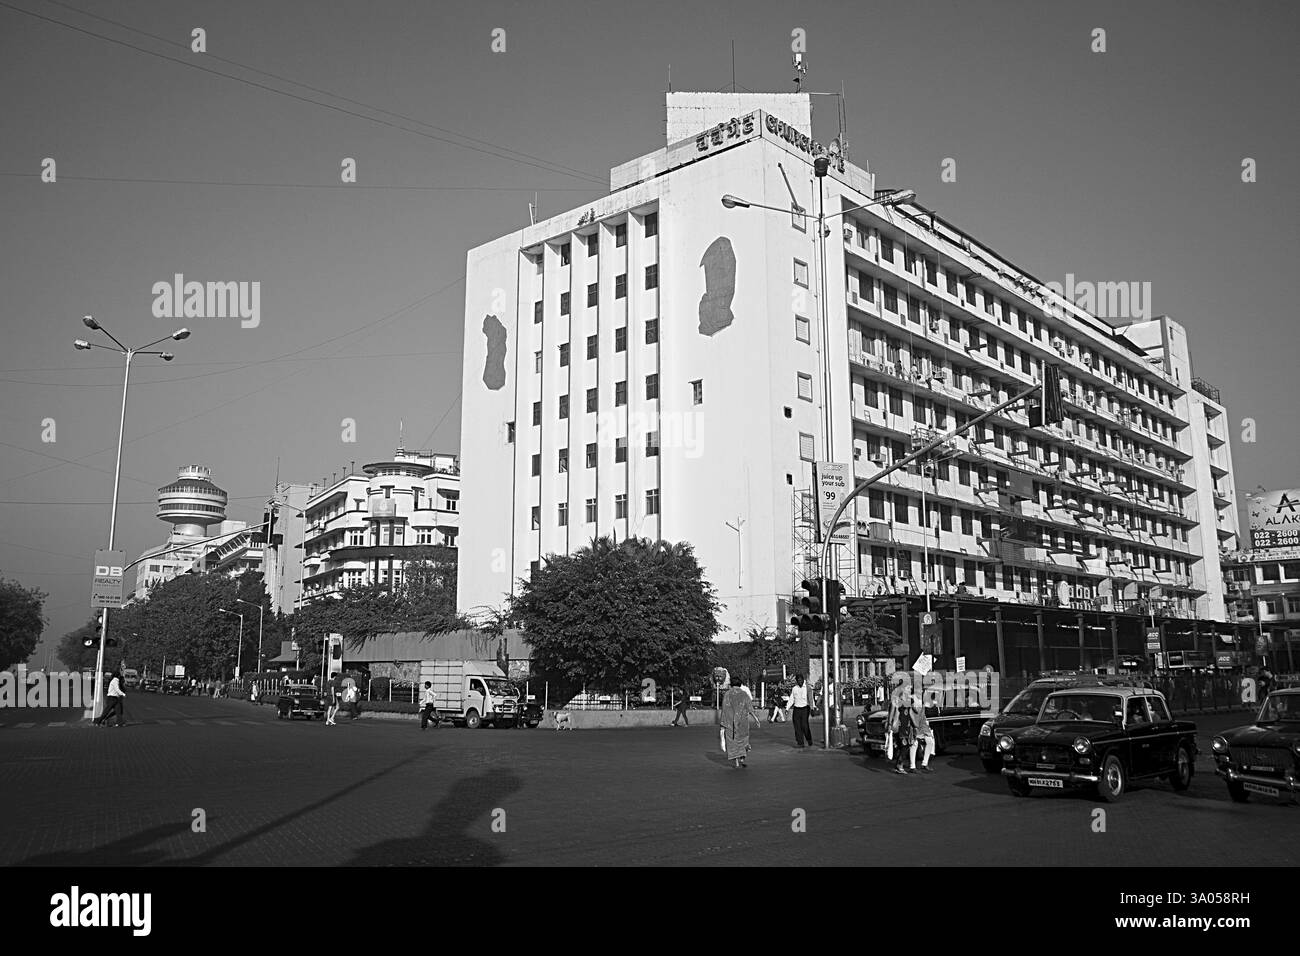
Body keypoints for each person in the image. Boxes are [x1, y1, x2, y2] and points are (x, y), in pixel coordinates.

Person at [719, 677, 753, 769]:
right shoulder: (744, 694)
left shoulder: (727, 694)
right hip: (742, 722)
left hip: (730, 722)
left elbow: (725, 709)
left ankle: (737, 763)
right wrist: (754, 717)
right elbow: (750, 707)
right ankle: (742, 758)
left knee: (733, 742)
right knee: (743, 740)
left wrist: (723, 723)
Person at [887, 688, 917, 774]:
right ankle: (899, 766)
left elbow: (912, 712)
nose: (909, 691)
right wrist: (889, 724)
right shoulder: (896, 702)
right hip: (899, 728)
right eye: (907, 689)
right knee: (905, 746)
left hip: (906, 727)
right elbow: (891, 713)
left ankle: (898, 765)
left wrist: (915, 726)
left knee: (902, 747)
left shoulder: (908, 701)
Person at [786, 673, 813, 748]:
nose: (800, 682)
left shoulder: (808, 688)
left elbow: (811, 699)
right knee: (797, 726)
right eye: (798, 681)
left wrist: (812, 707)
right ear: (797, 681)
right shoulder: (794, 688)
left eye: (801, 680)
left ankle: (809, 739)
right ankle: (800, 742)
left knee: (804, 725)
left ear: (803, 680)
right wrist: (787, 708)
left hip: (805, 708)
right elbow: (792, 699)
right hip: (796, 709)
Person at [910, 694, 935, 773]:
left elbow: (922, 713)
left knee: (930, 742)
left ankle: (924, 763)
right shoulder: (913, 698)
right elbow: (914, 710)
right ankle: (912, 766)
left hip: (923, 724)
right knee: (914, 744)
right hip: (915, 723)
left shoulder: (922, 700)